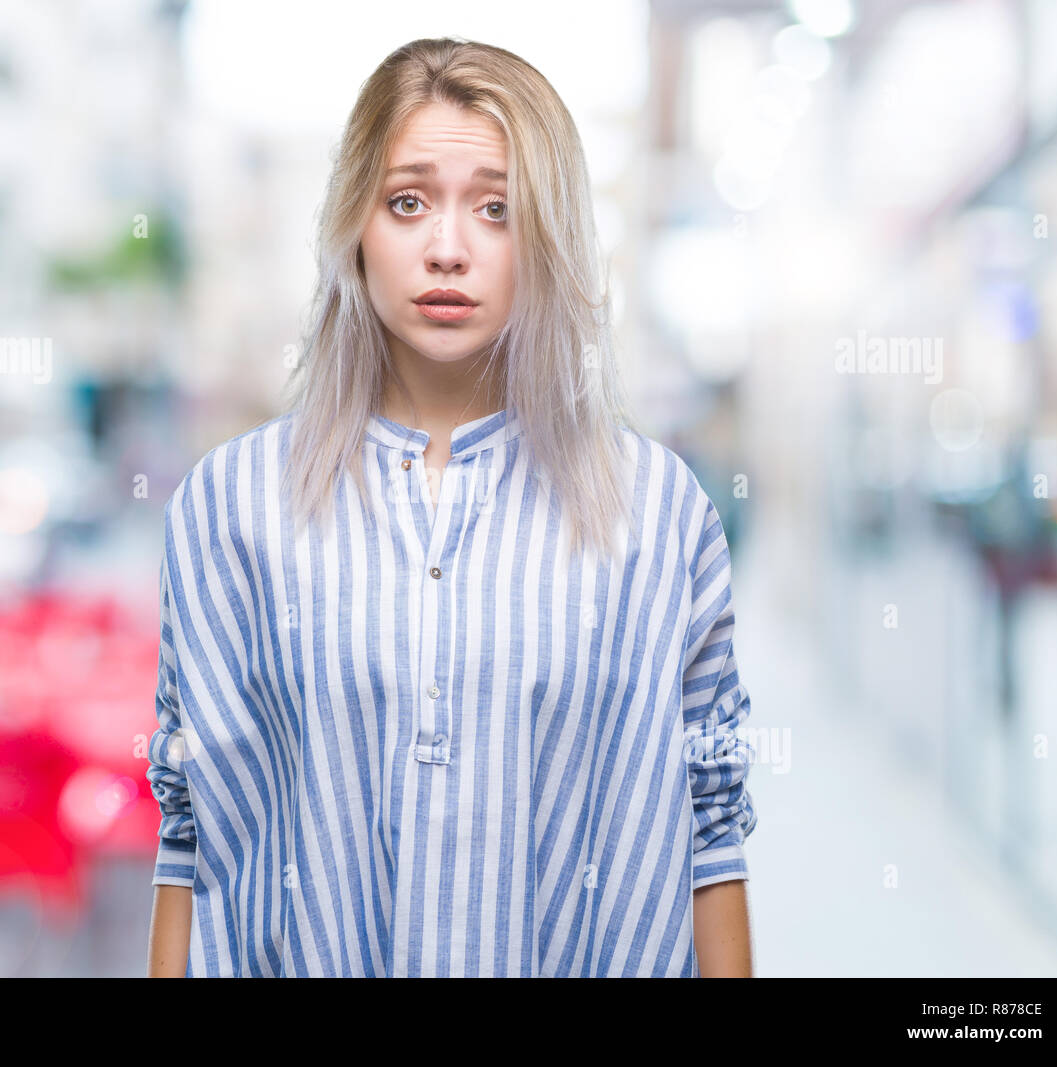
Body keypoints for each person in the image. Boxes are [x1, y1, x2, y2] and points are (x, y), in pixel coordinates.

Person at [146, 36, 757, 977]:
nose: (446, 248)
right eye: (407, 201)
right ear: (355, 223)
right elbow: (190, 828)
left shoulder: (657, 511)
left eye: (497, 208)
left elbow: (710, 825)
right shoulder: (230, 507)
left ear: (549, 234)